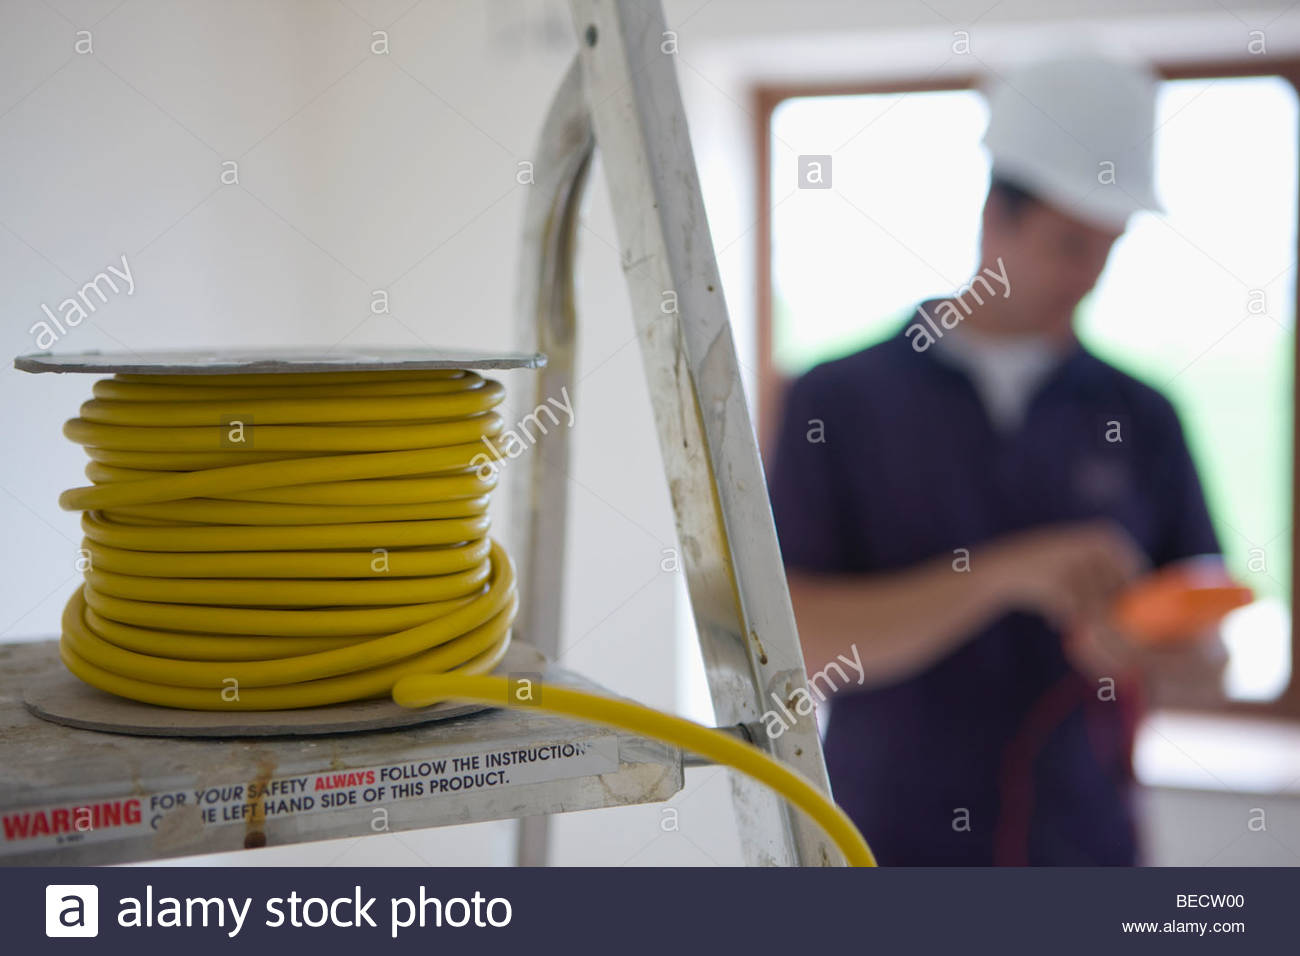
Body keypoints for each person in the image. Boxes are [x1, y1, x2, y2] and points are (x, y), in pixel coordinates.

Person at [767, 54, 1228, 866]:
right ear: (995, 217)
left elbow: (1210, 654)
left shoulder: (1142, 416)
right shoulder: (837, 400)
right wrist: (1001, 576)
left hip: (1084, 847)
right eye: (1068, 243)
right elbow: (797, 644)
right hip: (882, 845)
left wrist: (1151, 647)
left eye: (1109, 246)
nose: (1089, 276)